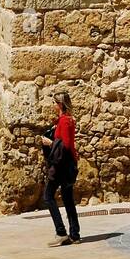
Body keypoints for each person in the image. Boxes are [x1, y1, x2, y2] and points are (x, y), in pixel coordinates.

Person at [41, 92, 81, 245]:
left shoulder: (64, 121)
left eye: (54, 102)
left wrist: (49, 143)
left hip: (61, 166)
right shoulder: (67, 120)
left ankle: (61, 232)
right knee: (68, 199)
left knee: (48, 196)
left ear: (60, 104)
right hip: (68, 163)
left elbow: (64, 145)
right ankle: (75, 234)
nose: (52, 105)